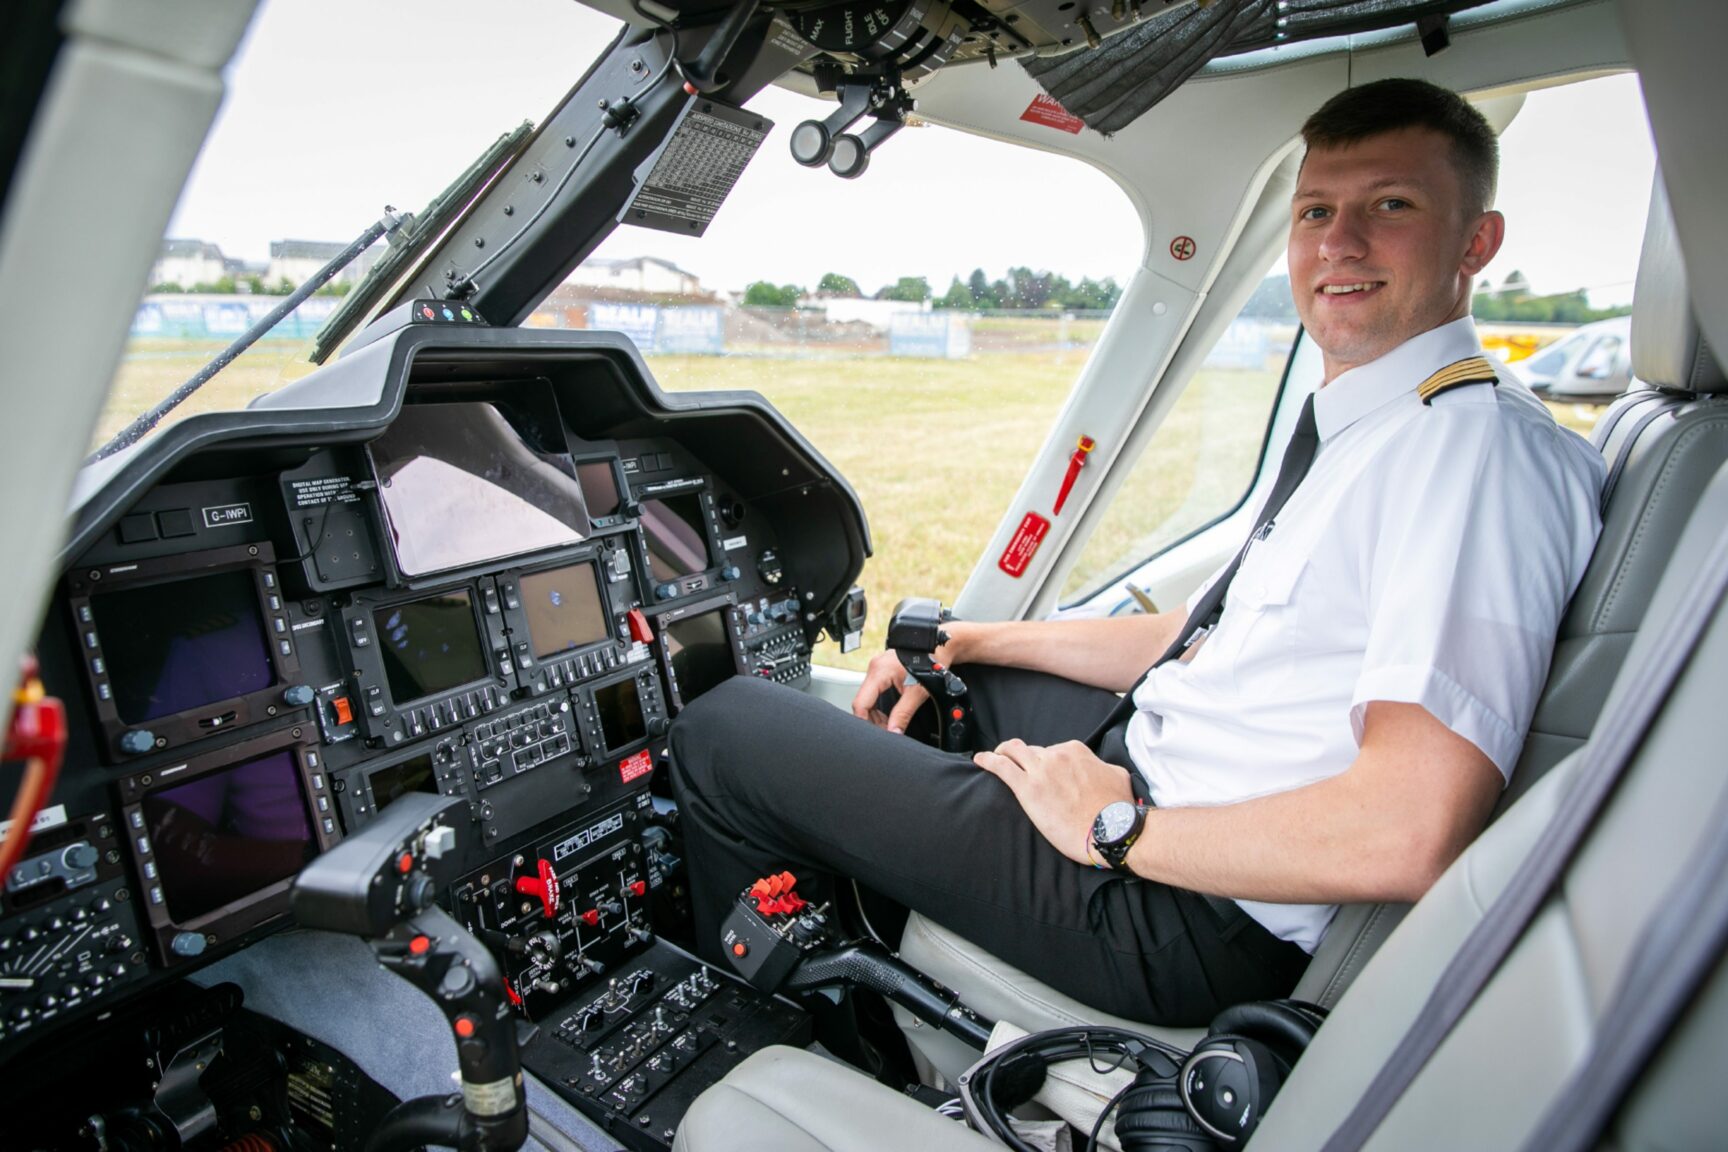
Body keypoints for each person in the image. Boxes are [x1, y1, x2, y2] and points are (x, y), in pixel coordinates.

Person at [669, 78, 1606, 1026]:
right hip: (1167, 792)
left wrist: (1115, 829)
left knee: (730, 730)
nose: (1339, 243)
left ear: (1477, 242)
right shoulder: (1389, 425)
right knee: (948, 688)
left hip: (1190, 911)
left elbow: (1409, 826)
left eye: (1390, 207)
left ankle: (764, 1052)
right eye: (1317, 210)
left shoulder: (1471, 454)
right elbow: (1212, 635)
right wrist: (974, 642)